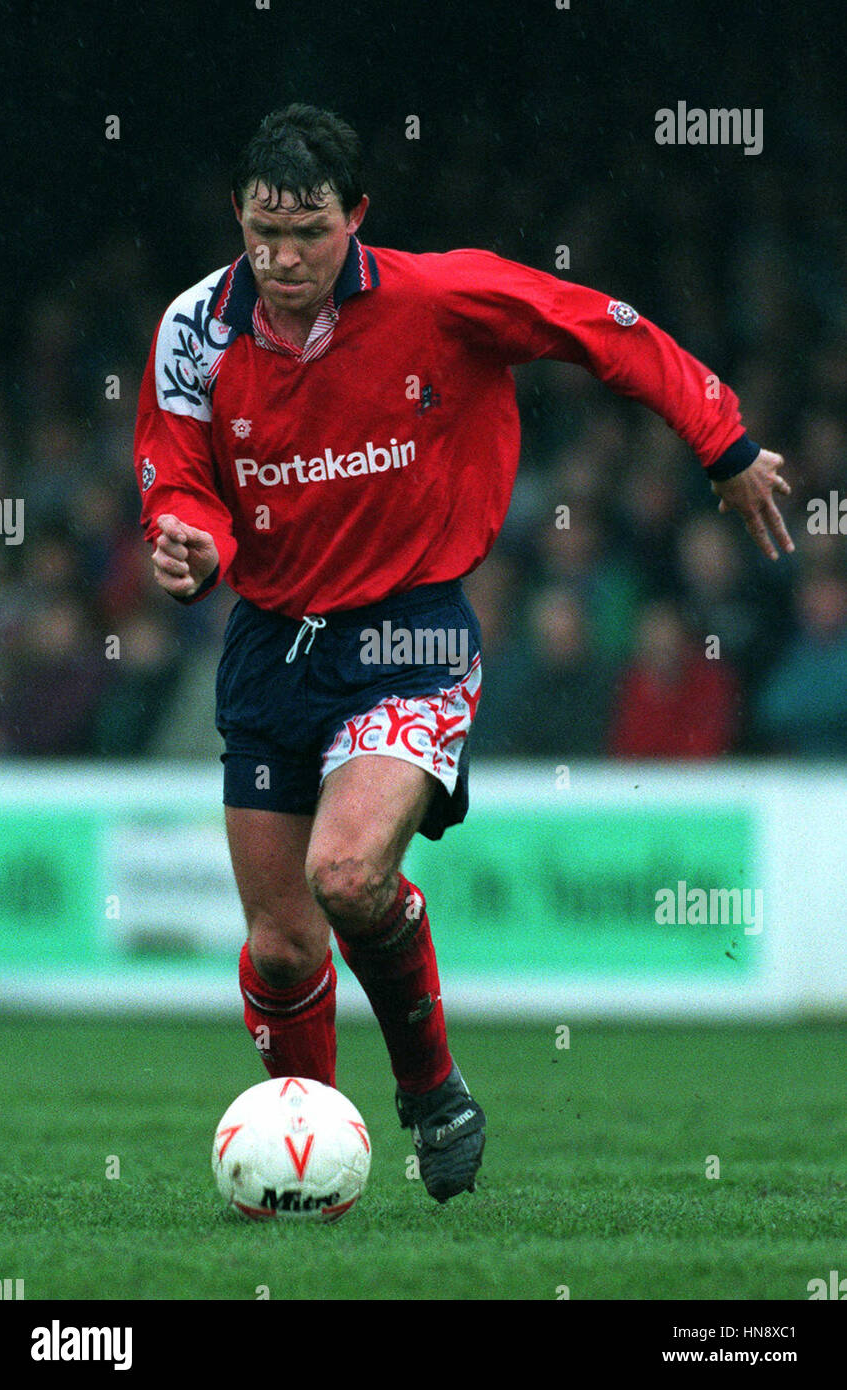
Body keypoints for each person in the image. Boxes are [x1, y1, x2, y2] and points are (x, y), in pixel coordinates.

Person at [133, 104, 793, 1204]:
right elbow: (172, 463)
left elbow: (601, 326)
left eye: (307, 231)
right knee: (285, 946)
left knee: (346, 876)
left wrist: (718, 439)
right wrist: (185, 536)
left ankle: (430, 1086)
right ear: (237, 219)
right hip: (267, 642)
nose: (281, 257)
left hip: (409, 631)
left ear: (358, 218)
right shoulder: (194, 328)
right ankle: (317, 1177)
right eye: (261, 231)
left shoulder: (442, 296)